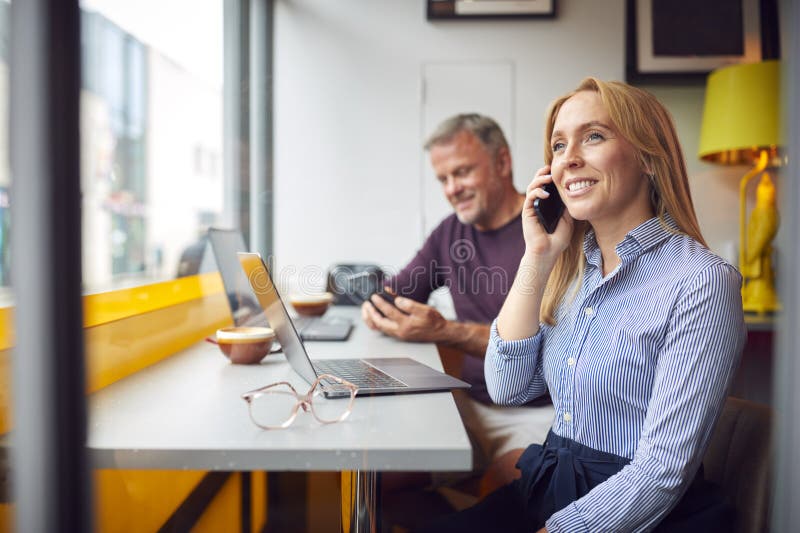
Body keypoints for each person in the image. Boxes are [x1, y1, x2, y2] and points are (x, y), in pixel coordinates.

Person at [416, 78, 746, 533]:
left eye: (593, 136)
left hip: (634, 510)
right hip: (549, 486)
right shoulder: (568, 273)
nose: (568, 158)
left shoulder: (701, 283)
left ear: (649, 157)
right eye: (557, 144)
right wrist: (537, 255)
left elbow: (662, 470)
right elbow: (508, 387)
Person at [362, 114, 555, 492]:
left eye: (462, 172)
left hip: (539, 413)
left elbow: (551, 347)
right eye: (443, 179)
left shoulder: (550, 232)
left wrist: (445, 332)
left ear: (502, 162)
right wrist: (378, 307)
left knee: (497, 490)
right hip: (469, 405)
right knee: (378, 484)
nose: (452, 189)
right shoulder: (451, 232)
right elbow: (392, 296)